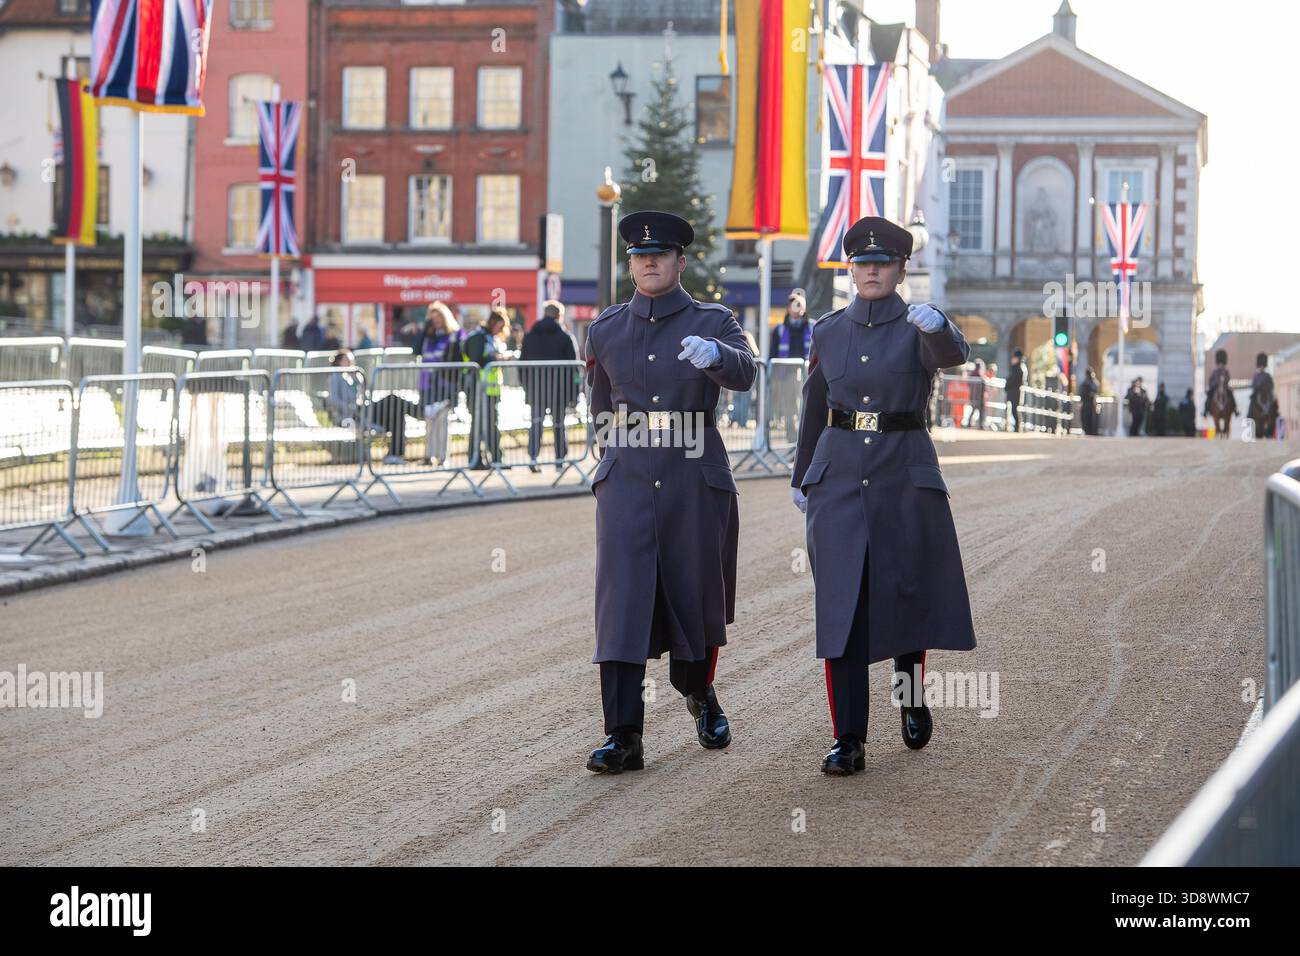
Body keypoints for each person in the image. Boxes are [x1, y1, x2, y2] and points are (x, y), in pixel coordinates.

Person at [790, 215, 976, 775]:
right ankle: (849, 738)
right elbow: (812, 406)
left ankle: (911, 695)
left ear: (900, 269)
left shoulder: (920, 328)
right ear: (851, 270)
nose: (872, 271)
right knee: (841, 606)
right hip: (839, 475)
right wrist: (803, 476)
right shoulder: (826, 330)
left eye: (883, 263)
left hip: (903, 472)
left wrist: (938, 324)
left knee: (903, 592)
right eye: (862, 263)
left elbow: (953, 354)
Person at [583, 210, 757, 774]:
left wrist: (719, 357)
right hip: (629, 478)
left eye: (660, 254)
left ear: (681, 261)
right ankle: (623, 735)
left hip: (692, 476)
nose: (649, 261)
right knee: (621, 605)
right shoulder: (606, 328)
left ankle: (699, 693)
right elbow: (600, 405)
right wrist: (610, 460)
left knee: (693, 594)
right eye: (639, 254)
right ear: (630, 262)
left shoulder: (714, 320)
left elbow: (746, 371)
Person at [325, 349, 421, 464]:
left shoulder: (354, 377)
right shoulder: (336, 377)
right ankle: (423, 413)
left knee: (397, 413)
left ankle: (394, 454)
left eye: (352, 360)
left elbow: (365, 397)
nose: (351, 362)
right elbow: (333, 400)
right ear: (339, 362)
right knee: (392, 399)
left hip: (364, 410)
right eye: (347, 360)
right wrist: (352, 410)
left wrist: (358, 380)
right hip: (354, 415)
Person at [520, 299, 580, 472]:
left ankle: (533, 457)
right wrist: (573, 393)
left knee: (536, 423)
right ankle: (559, 460)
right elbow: (574, 368)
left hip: (536, 388)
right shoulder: (565, 337)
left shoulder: (530, 336)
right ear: (559, 316)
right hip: (558, 389)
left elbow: (521, 363)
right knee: (559, 424)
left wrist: (527, 386)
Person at [412, 302, 468, 465]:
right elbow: (416, 349)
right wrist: (425, 330)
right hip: (427, 383)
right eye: (432, 319)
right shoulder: (428, 336)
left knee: (442, 420)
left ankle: (443, 456)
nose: (436, 322)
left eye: (438, 318)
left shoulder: (455, 334)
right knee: (429, 420)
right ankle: (428, 455)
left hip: (445, 383)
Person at [464, 309, 509, 468]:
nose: (500, 330)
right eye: (499, 326)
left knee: (491, 425)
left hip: (490, 391)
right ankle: (476, 459)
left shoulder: (491, 338)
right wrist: (494, 358)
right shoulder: (479, 338)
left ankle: (495, 458)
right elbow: (476, 361)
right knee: (478, 426)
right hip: (478, 389)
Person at [1248, 352, 1275, 438]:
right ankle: (1249, 415)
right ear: (1259, 365)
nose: (1262, 367)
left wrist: (1267, 389)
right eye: (1261, 365)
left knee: (1273, 402)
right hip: (1257, 393)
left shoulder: (1267, 375)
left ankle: (1274, 414)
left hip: (1267, 393)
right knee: (1252, 401)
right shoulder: (1256, 375)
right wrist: (1257, 388)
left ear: (1264, 365)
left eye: (1263, 365)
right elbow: (1253, 385)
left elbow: (1271, 385)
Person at [1005, 348, 1024, 432]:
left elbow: (1013, 380)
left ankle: (1017, 427)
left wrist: (1007, 385)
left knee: (1014, 410)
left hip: (1015, 393)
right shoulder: (1015, 368)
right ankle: (1014, 426)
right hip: (1012, 392)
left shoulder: (1018, 369)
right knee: (1012, 410)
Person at [1078, 367, 1099, 435]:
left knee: (1090, 420)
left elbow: (1096, 388)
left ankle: (1091, 431)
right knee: (1086, 419)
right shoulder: (1086, 383)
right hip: (1087, 404)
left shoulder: (1091, 382)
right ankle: (1089, 431)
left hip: (1090, 405)